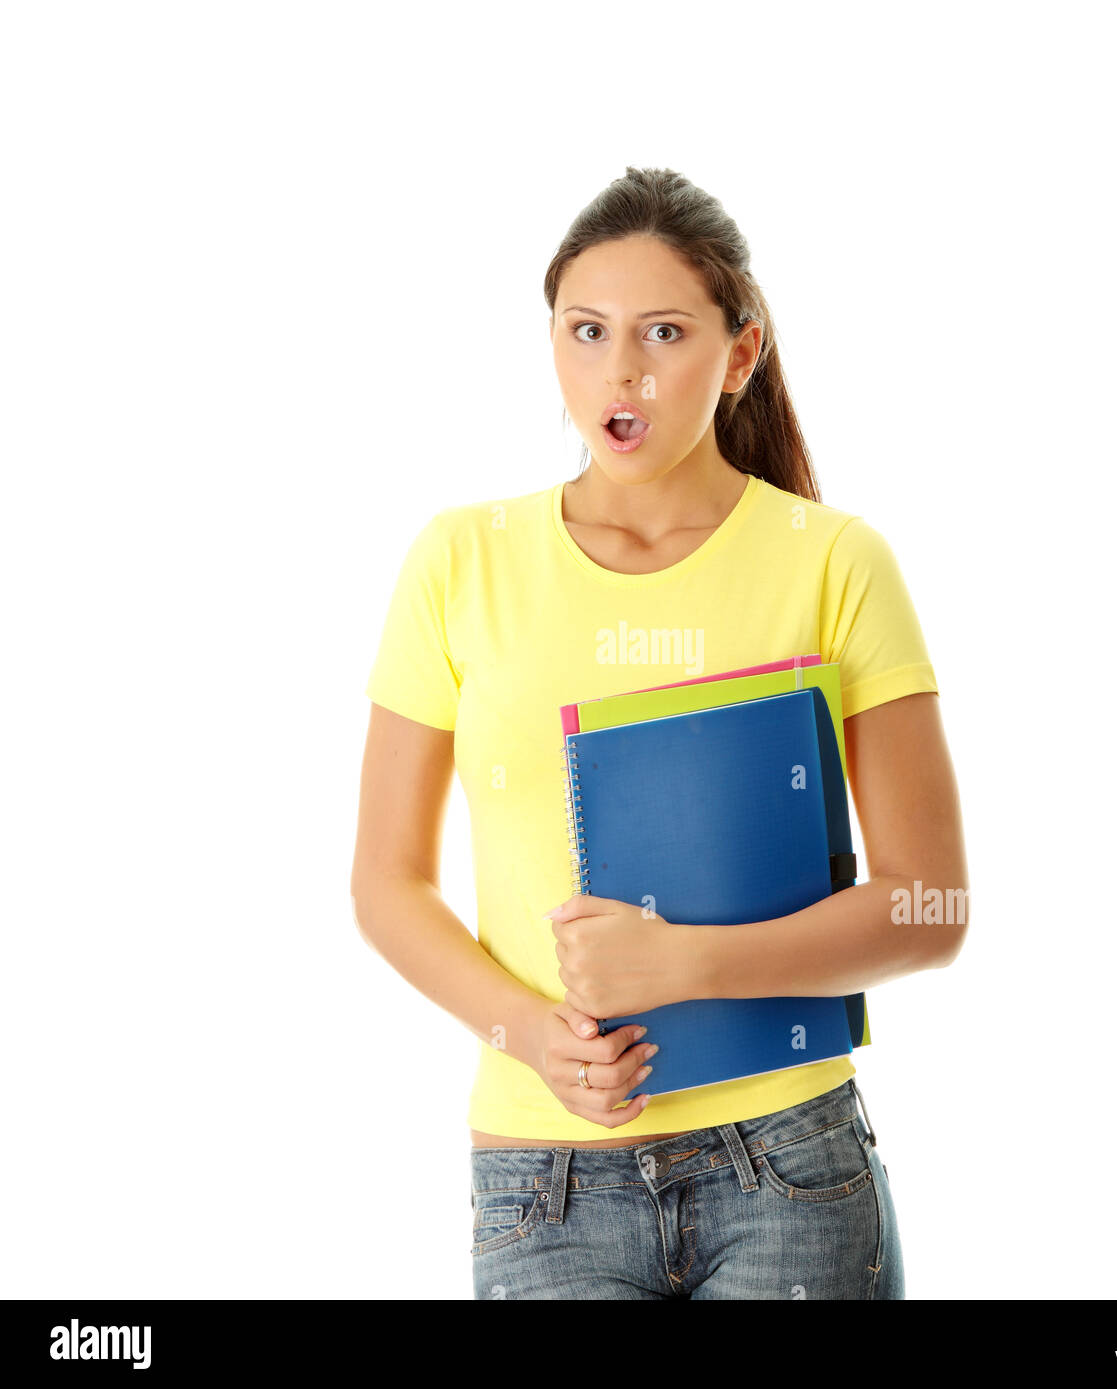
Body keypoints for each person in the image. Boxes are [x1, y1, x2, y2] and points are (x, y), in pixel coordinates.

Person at [351, 166, 969, 1299]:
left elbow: (930, 906)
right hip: (543, 1179)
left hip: (788, 1162)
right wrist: (528, 1034)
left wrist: (691, 964)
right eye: (585, 332)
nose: (618, 372)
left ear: (739, 356)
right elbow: (385, 885)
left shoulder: (834, 562)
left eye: (663, 333)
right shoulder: (459, 560)